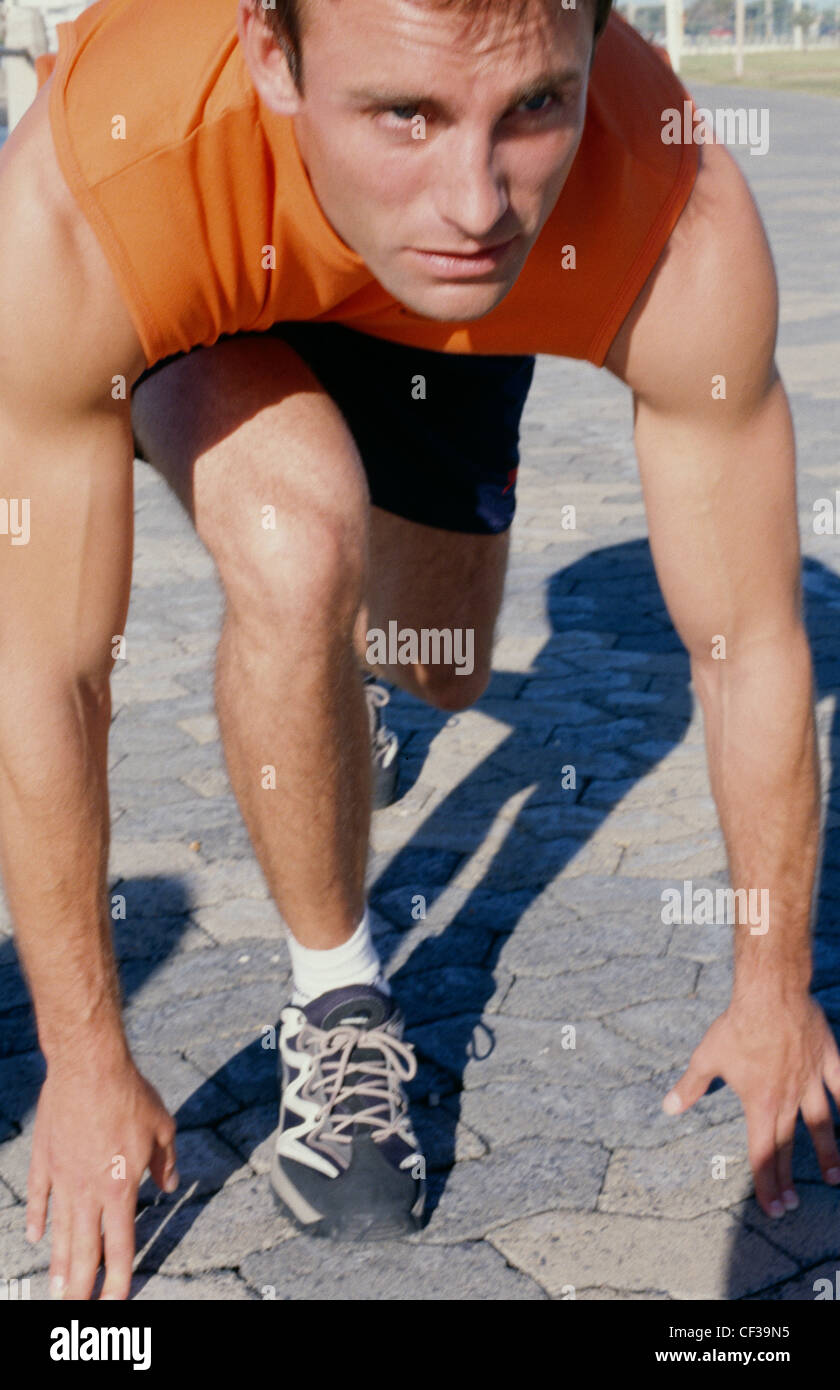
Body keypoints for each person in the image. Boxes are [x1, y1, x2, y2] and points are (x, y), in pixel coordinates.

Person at [0, 0, 837, 1299]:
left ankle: (354, 698)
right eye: (408, 112)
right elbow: (45, 667)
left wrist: (774, 980)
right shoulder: (100, 185)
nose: (474, 199)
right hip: (218, 282)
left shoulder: (674, 206)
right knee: (298, 537)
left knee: (435, 656)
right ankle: (338, 1000)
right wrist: (84, 1056)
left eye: (535, 109)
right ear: (275, 56)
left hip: (451, 337)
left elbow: (749, 640)